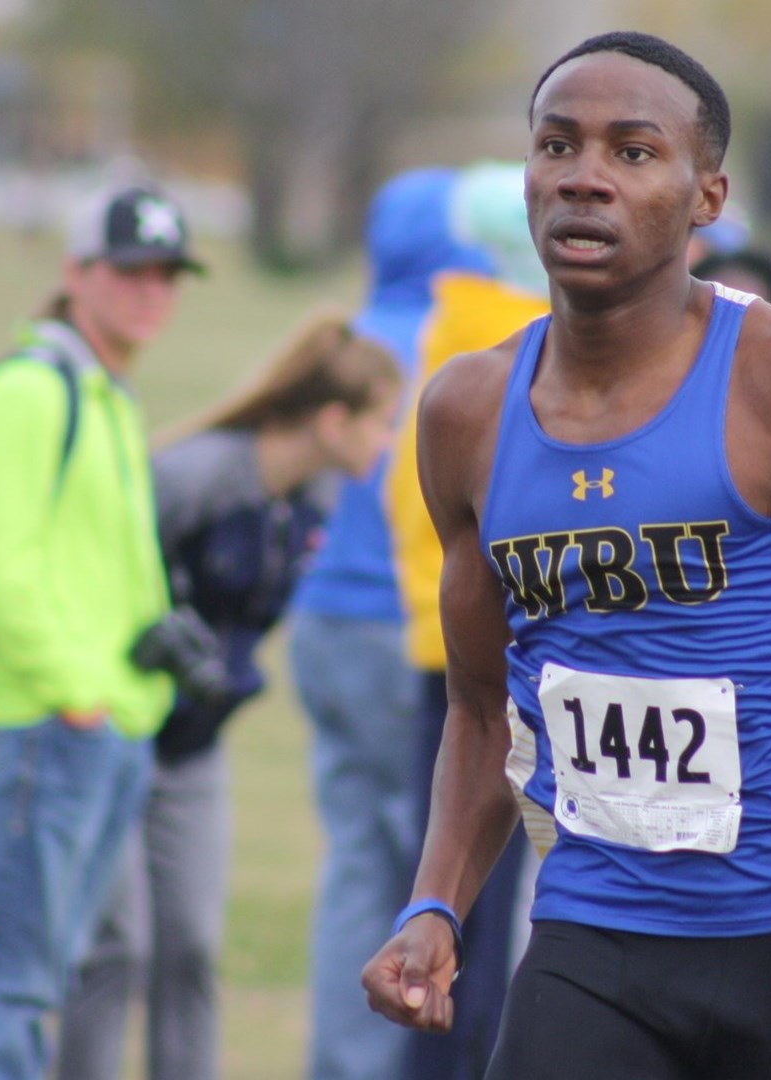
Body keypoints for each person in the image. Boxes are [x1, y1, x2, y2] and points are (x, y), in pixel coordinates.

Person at [359, 33, 771, 1080]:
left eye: (633, 152)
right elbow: (482, 707)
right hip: (589, 941)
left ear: (707, 197)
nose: (584, 177)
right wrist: (435, 902)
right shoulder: (468, 412)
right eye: (557, 145)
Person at [58, 313, 402, 1080]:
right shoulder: (195, 477)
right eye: (382, 422)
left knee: (191, 945)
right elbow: (90, 576)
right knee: (117, 949)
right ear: (333, 420)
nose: (387, 444)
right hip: (116, 733)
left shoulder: (314, 496)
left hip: (193, 748)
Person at [0, 182, 200, 1079]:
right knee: (6, 980)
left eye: (167, 275)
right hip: (42, 724)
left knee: (41, 979)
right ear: (76, 272)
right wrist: (75, 691)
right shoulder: (29, 391)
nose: (151, 292)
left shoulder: (105, 393)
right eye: (130, 271)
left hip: (103, 725)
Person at [287, 168, 491, 1080]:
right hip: (397, 631)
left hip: (321, 619)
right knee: (430, 881)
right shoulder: (460, 342)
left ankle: (343, 1061)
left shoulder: (355, 336)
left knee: (355, 864)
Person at [383, 160, 547, 1080]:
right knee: (478, 910)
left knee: (440, 897)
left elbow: (401, 501)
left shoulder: (443, 337)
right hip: (504, 656)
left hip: (435, 639)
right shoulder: (526, 360)